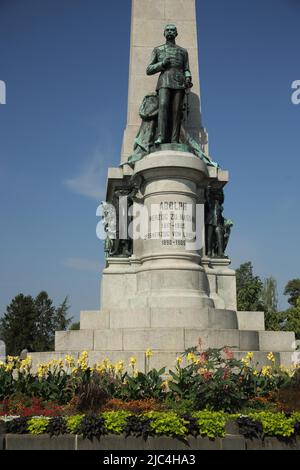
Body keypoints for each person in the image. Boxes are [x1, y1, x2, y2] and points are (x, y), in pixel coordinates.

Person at [146, 24, 192, 144]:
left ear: (176, 33)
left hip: (179, 81)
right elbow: (149, 69)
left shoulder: (183, 51)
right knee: (163, 106)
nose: (170, 32)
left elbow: (186, 68)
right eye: (168, 30)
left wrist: (188, 78)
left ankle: (174, 139)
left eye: (172, 30)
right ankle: (160, 136)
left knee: (176, 112)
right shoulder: (158, 49)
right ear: (164, 33)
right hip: (164, 80)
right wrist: (161, 64)